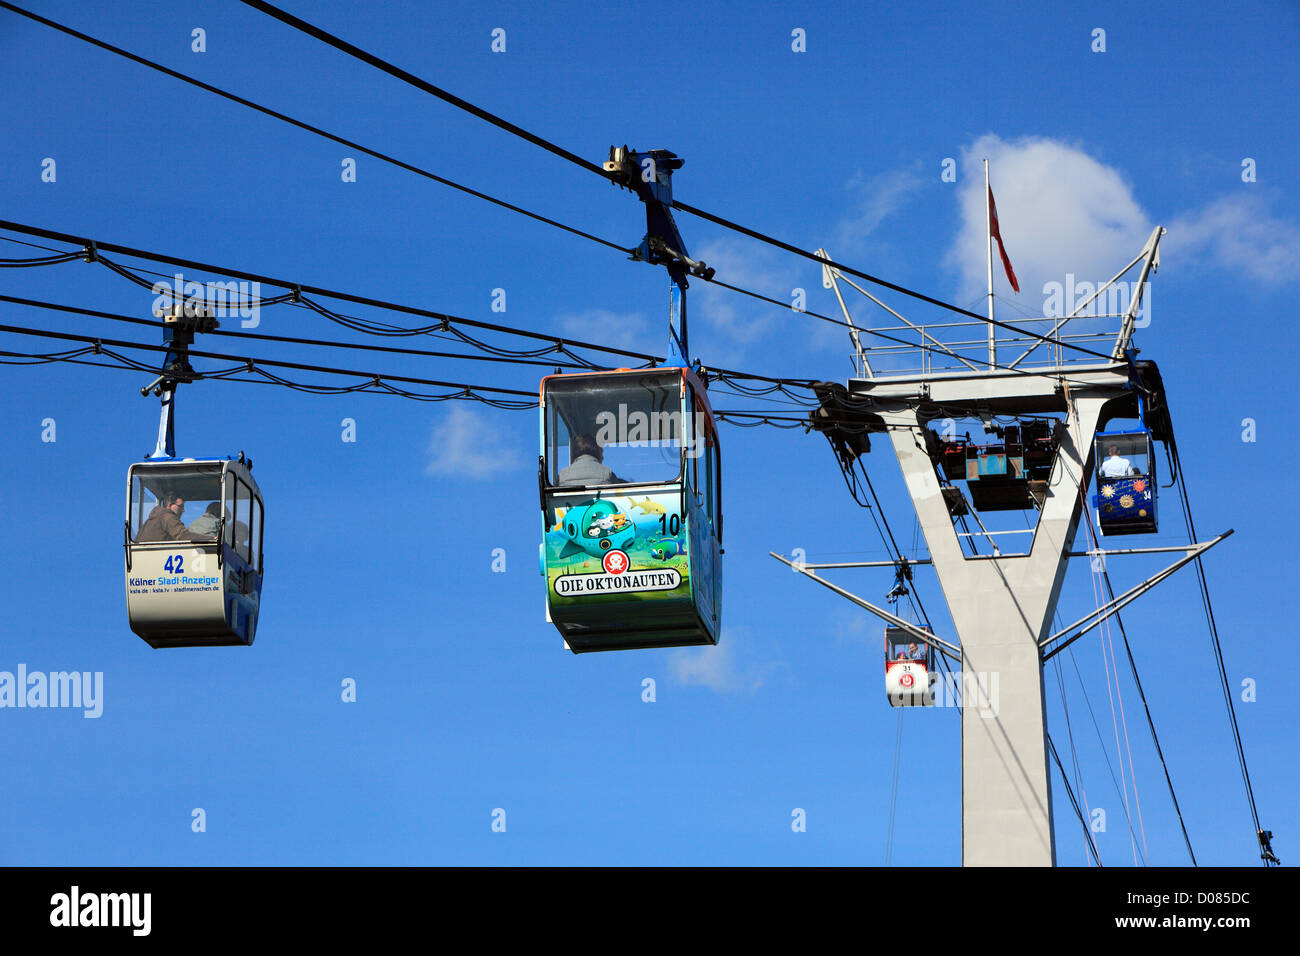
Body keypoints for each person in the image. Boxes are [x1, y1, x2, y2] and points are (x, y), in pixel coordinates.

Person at [557, 433, 624, 486]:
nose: (603, 457)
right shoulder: (607, 473)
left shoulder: (561, 476)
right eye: (601, 452)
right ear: (597, 452)